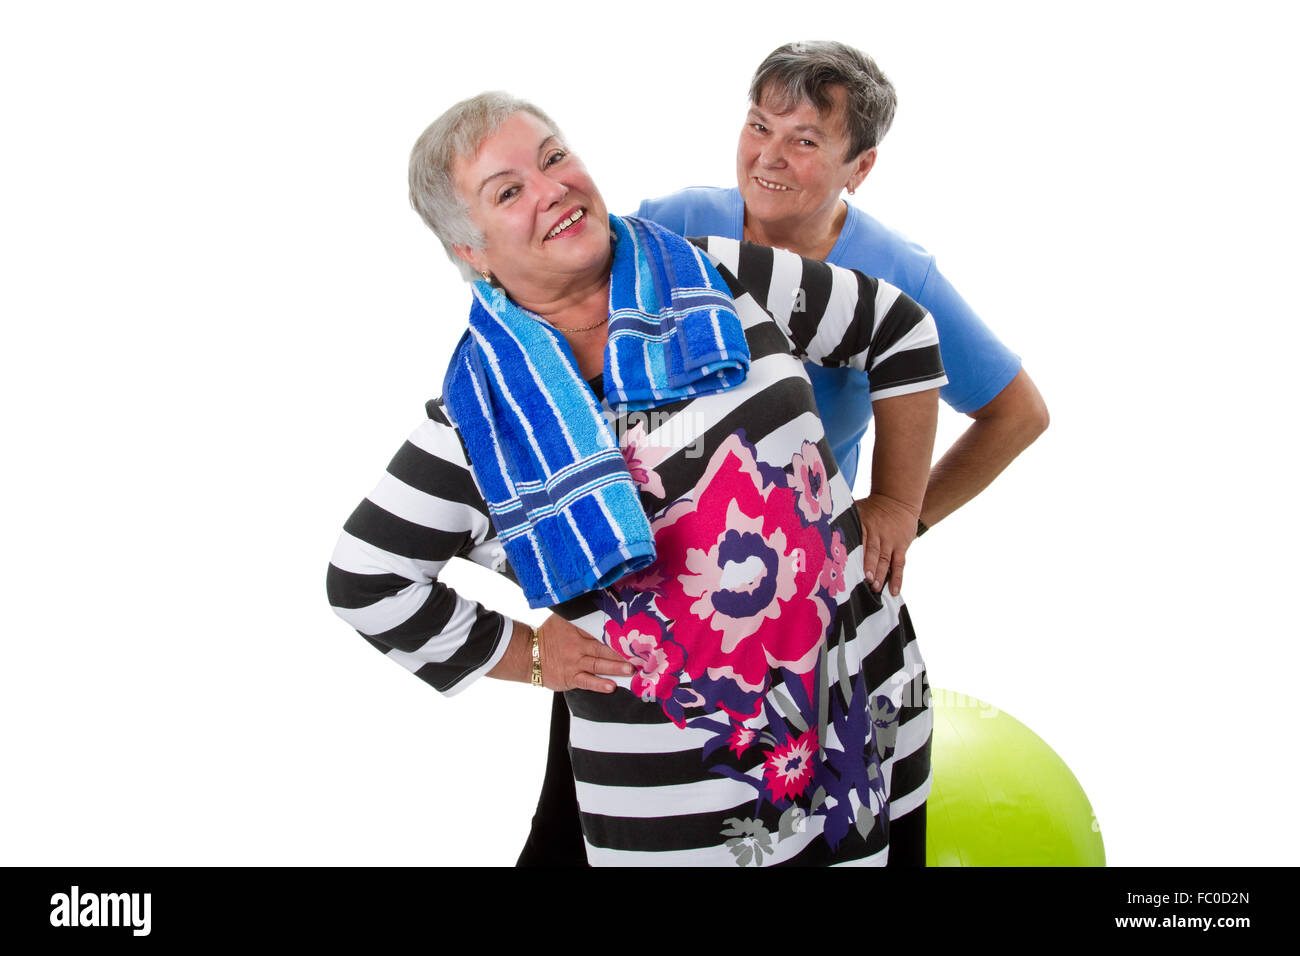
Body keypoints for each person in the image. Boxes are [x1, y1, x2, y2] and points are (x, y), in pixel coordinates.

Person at [327, 91, 947, 865]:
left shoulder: (714, 274)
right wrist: (524, 654)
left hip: (867, 705)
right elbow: (366, 577)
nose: (551, 188)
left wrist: (895, 501)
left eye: (553, 156)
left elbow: (900, 330)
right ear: (472, 252)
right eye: (509, 191)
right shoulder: (480, 418)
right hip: (690, 801)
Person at [517, 41, 1050, 867]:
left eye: (804, 140)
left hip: (800, 600)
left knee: (848, 815)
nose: (768, 155)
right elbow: (567, 389)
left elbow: (1016, 413)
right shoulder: (669, 228)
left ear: (859, 166)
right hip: (647, 587)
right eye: (758, 125)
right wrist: (570, 582)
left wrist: (900, 512)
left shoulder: (898, 272)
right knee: (574, 828)